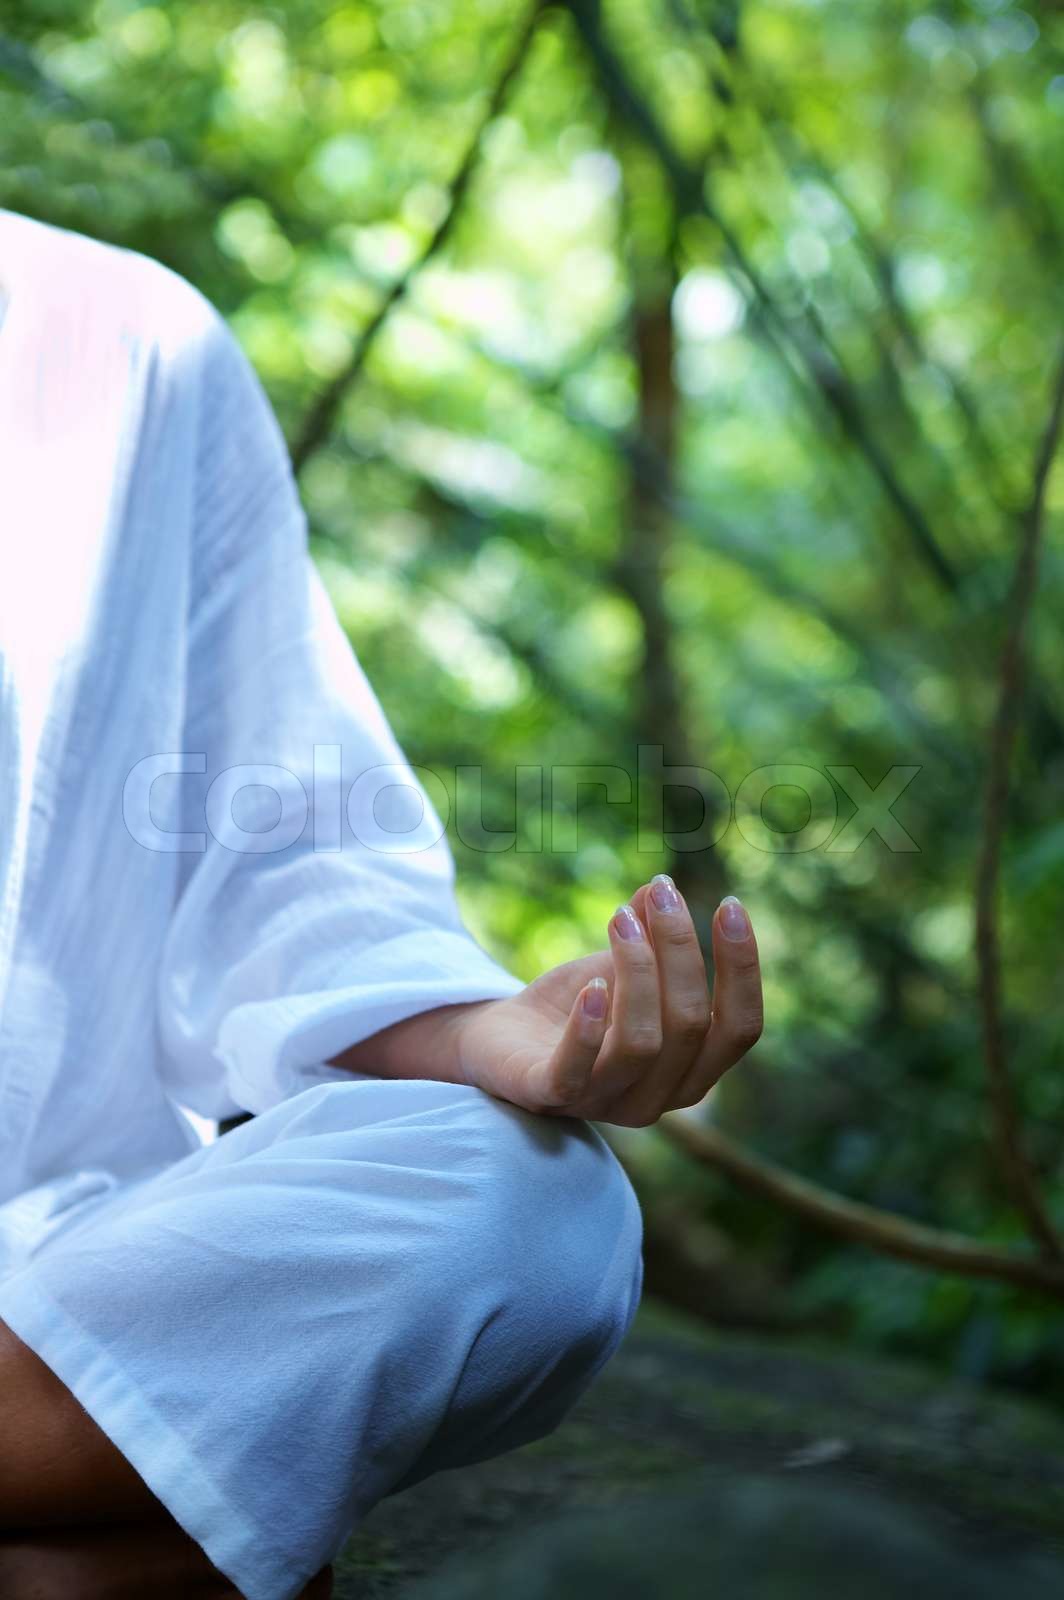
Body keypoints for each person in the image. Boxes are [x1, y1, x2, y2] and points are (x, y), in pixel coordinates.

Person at [0, 209, 764, 1600]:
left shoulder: (125, 341)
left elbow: (273, 852)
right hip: (60, 1381)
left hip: (41, 1296)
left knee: (537, 1212)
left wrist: (488, 1036)